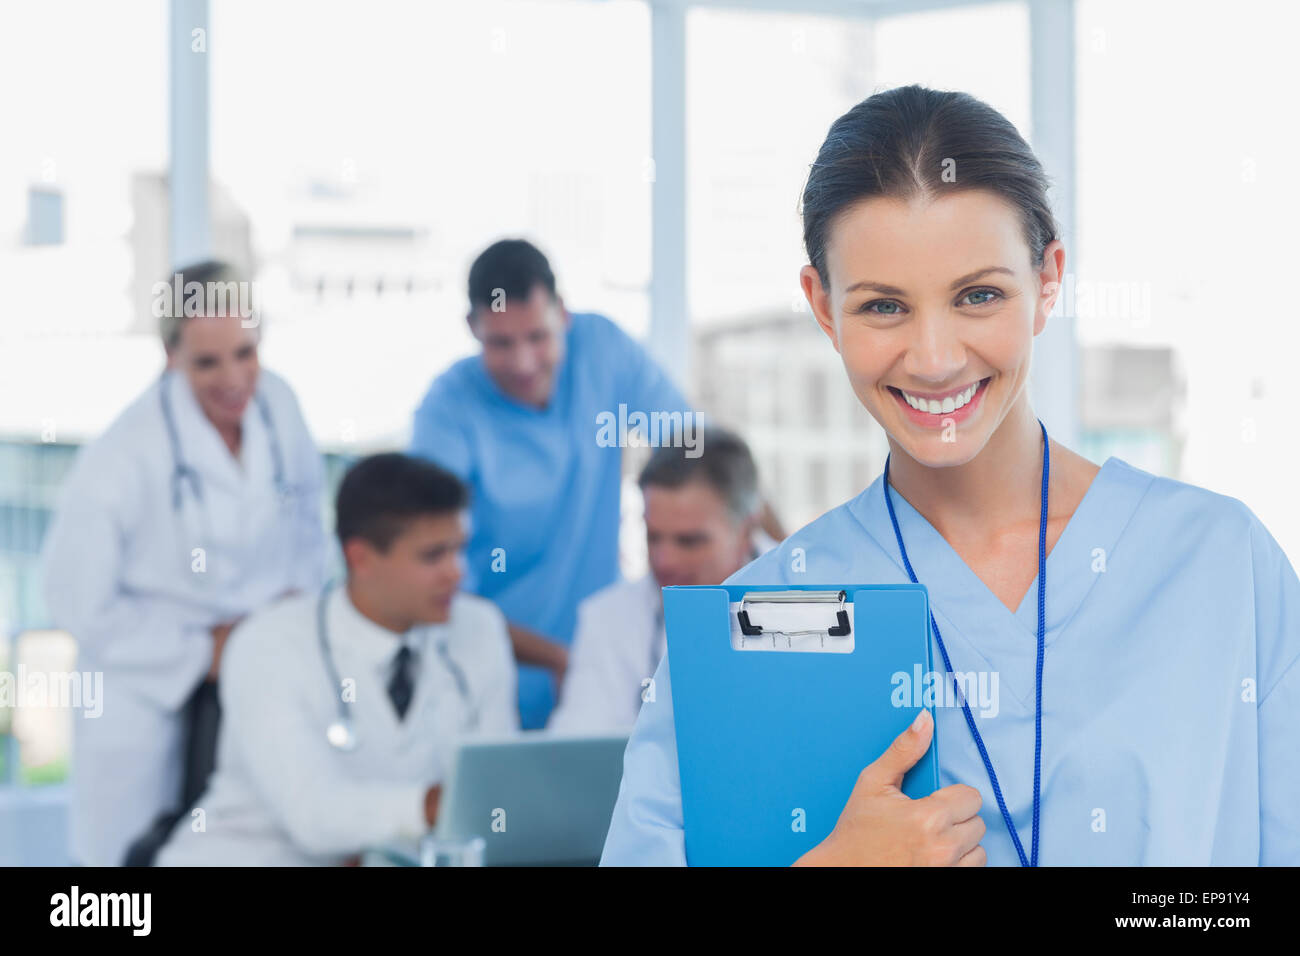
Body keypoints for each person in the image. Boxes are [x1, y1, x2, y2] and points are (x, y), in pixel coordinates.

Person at [601, 84, 1300, 866]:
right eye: (883, 308)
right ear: (823, 307)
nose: (934, 360)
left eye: (978, 295)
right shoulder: (749, 629)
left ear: (1048, 281)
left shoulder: (1219, 564)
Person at [40, 260, 326, 866]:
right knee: (126, 871)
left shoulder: (280, 406)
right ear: (170, 355)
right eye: (207, 362)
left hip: (258, 666)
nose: (234, 378)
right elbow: (73, 598)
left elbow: (308, 526)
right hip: (142, 685)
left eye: (246, 352)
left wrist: (283, 618)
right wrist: (205, 650)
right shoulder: (124, 452)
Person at [156, 453, 518, 866]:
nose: (457, 573)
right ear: (360, 557)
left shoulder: (479, 628)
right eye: (433, 556)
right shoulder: (269, 642)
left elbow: (494, 787)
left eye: (460, 550)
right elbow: (312, 816)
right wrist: (437, 804)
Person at [409, 239, 693, 729]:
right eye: (500, 343)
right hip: (488, 675)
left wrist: (779, 548)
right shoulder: (446, 412)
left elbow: (698, 451)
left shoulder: (602, 351)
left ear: (563, 314)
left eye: (537, 337)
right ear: (472, 328)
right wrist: (559, 659)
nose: (523, 362)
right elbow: (429, 571)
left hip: (597, 669)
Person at [549, 428, 775, 733]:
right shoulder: (607, 619)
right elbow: (577, 749)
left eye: (689, 541)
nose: (663, 560)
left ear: (746, 532)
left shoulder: (815, 598)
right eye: (653, 537)